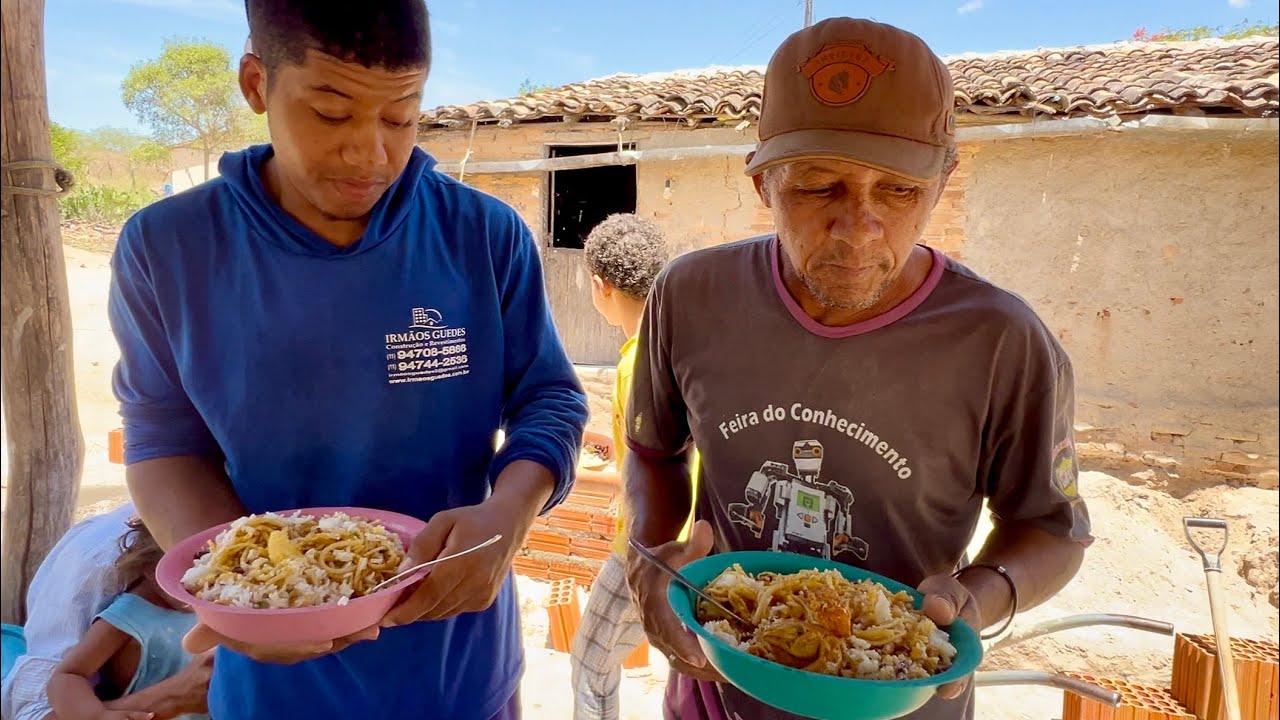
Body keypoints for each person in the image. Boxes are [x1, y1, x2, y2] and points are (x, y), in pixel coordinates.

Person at [105, 2, 588, 719]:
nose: (371, 154)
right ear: (257, 84)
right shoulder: (167, 247)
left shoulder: (484, 236)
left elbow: (550, 398)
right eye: (331, 114)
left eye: (400, 116)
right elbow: (163, 439)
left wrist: (510, 512)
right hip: (273, 690)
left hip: (459, 674)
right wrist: (251, 593)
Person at [621, 17, 1093, 720]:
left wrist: (980, 594)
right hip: (716, 691)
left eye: (899, 191)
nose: (859, 228)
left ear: (942, 183)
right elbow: (653, 452)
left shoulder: (1002, 342)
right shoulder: (690, 296)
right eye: (819, 187)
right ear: (763, 182)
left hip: (899, 698)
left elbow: (1052, 530)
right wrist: (653, 560)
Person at [568, 214, 696, 720]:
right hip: (692, 542)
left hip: (645, 548)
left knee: (589, 666)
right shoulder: (680, 348)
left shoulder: (634, 362)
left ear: (601, 286)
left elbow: (655, 467)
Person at [1, 503, 211, 720]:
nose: (202, 589)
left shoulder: (216, 611)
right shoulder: (132, 612)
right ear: (149, 569)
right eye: (191, 573)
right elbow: (67, 676)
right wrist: (96, 715)